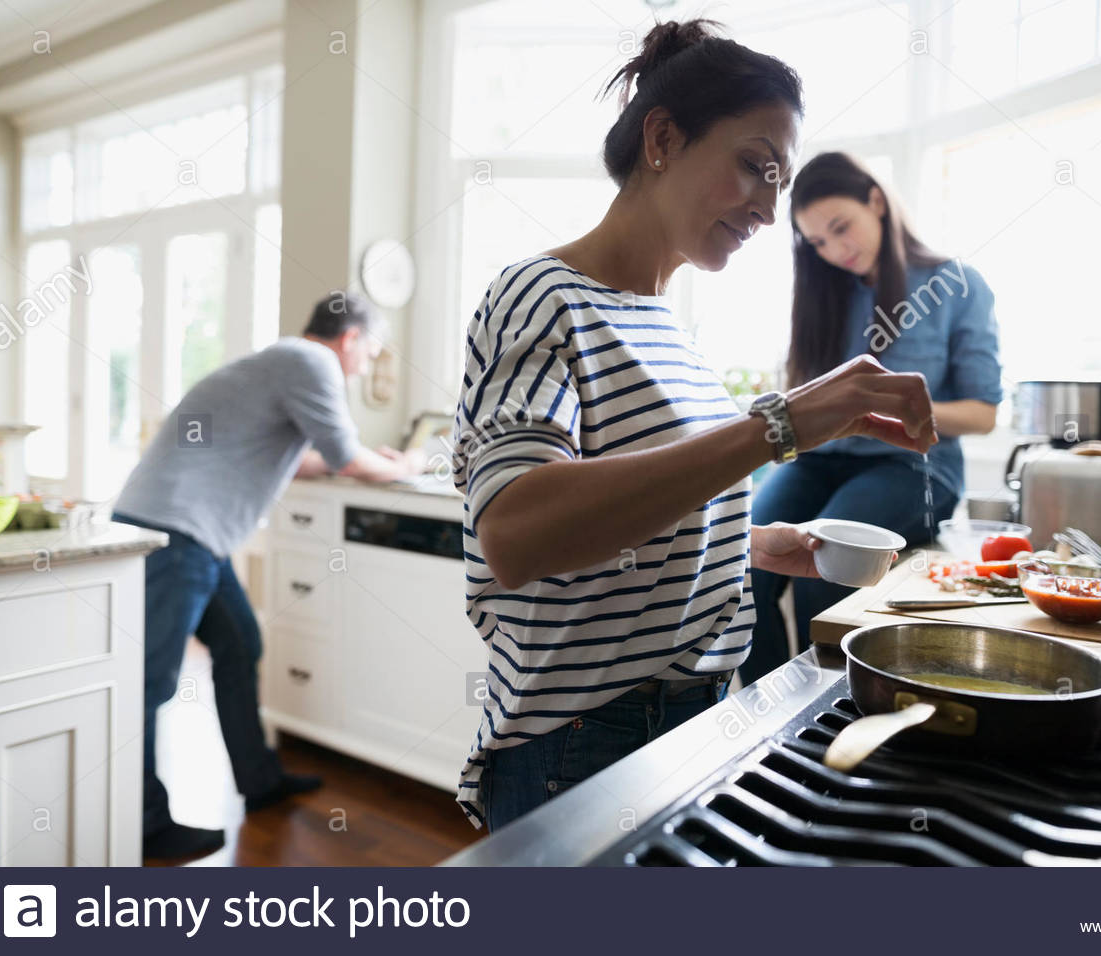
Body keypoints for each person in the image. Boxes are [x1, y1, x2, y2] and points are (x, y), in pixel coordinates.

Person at [450, 20, 938, 832]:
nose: (767, 207)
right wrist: (779, 426)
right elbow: (517, 532)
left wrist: (752, 542)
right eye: (755, 165)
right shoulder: (543, 296)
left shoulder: (667, 327)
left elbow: (632, 522)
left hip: (695, 715)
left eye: (779, 182)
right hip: (587, 741)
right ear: (664, 138)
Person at [114, 291, 423, 860]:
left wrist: (364, 460)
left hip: (192, 533)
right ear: (350, 338)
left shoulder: (279, 363)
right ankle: (142, 822)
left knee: (239, 643)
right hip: (173, 533)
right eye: (367, 351)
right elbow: (349, 457)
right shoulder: (311, 363)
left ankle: (258, 781)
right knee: (150, 680)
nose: (360, 367)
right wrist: (406, 465)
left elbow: (305, 455)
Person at [738, 152, 1003, 686]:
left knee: (829, 570)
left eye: (841, 229)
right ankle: (769, 710)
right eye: (818, 243)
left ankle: (825, 710)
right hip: (824, 460)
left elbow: (984, 415)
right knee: (746, 565)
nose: (836, 251)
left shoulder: (957, 284)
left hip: (911, 465)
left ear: (876, 202)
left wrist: (880, 408)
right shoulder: (823, 293)